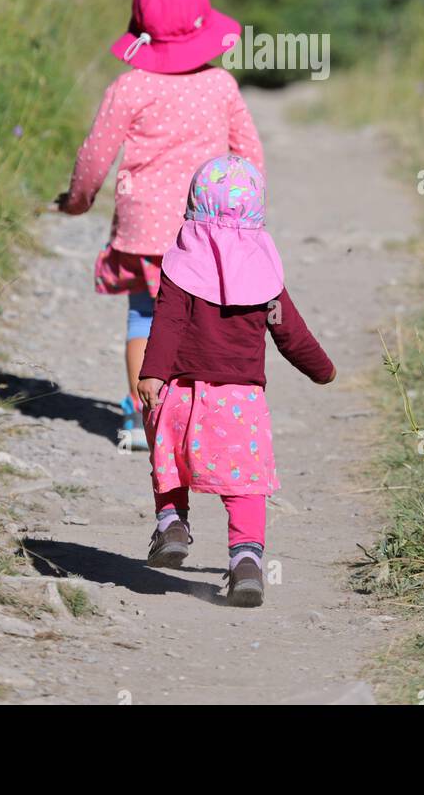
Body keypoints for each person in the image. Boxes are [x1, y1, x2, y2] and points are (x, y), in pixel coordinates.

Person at [55, 0, 264, 448]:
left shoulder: (127, 89)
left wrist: (77, 202)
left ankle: (141, 420)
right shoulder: (220, 87)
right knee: (202, 320)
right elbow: (249, 155)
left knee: (144, 317)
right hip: (209, 231)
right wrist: (248, 222)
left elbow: (93, 158)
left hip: (145, 230)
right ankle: (200, 417)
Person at [137, 154, 336, 607]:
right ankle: (245, 559)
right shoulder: (265, 279)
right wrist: (321, 369)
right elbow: (290, 331)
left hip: (181, 393)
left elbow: (166, 322)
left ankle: (172, 522)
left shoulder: (181, 267)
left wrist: (152, 373)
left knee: (169, 454)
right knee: (246, 483)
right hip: (240, 401)